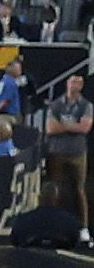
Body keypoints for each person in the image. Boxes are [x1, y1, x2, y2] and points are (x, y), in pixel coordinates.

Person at [43, 70, 89, 244]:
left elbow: (85, 128)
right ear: (67, 83)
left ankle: (83, 228)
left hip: (78, 152)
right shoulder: (55, 105)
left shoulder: (86, 105)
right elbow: (50, 129)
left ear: (81, 85)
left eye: (78, 82)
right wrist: (73, 125)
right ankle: (52, 225)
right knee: (54, 189)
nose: (74, 84)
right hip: (57, 151)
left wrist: (64, 125)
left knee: (79, 189)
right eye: (72, 81)